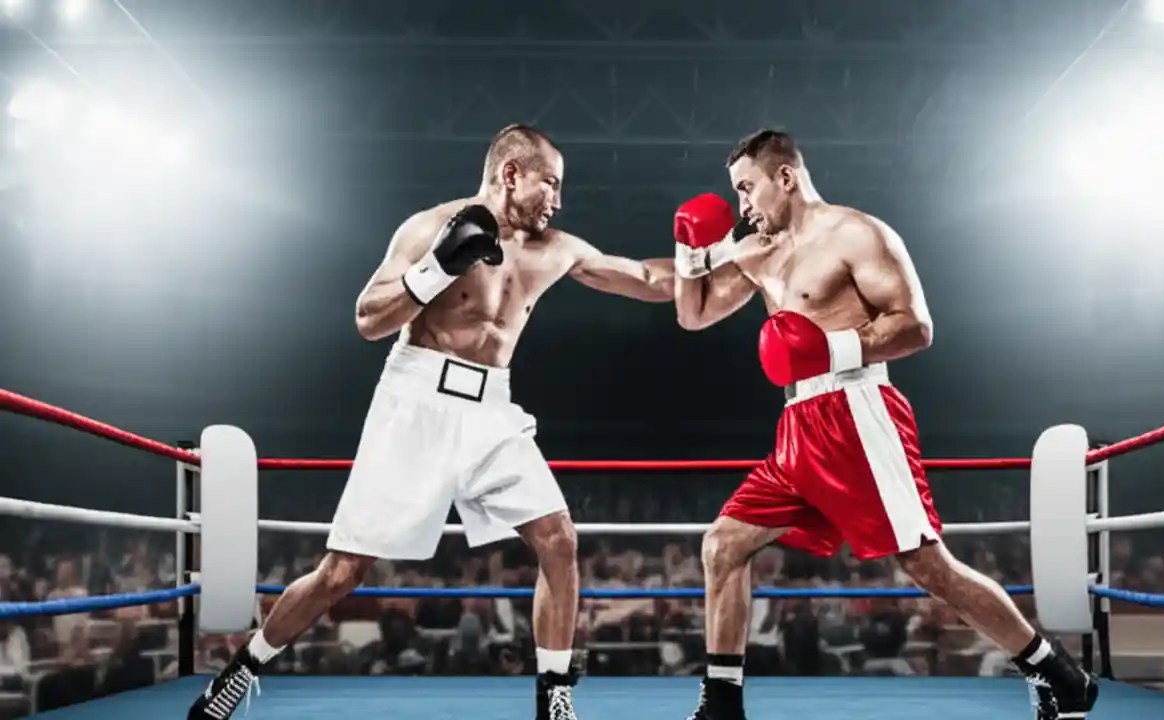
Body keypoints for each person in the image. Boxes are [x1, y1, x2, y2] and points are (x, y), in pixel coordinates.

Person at [188, 123, 675, 720]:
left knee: (559, 540)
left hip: (492, 408)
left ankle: (555, 698)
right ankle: (242, 670)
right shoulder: (429, 228)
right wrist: (435, 269)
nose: (558, 198)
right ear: (511, 173)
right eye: (550, 182)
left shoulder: (556, 249)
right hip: (415, 398)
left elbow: (647, 278)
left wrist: (721, 262)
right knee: (341, 573)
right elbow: (368, 319)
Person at [669, 129, 1098, 720]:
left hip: (857, 411)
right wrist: (690, 253)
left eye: (747, 188)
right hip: (797, 424)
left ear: (785, 177)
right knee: (723, 545)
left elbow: (916, 326)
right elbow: (693, 314)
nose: (742, 205)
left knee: (927, 566)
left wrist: (829, 348)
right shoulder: (756, 252)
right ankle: (722, 705)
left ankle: (1057, 673)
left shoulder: (856, 234)